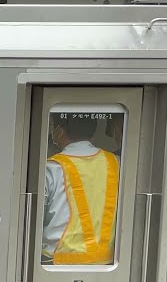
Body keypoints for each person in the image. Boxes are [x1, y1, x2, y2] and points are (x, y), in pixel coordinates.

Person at [42, 112, 119, 265]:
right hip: (106, 261)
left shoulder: (52, 167)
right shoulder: (115, 162)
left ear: (60, 130)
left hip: (57, 262)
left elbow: (36, 215)